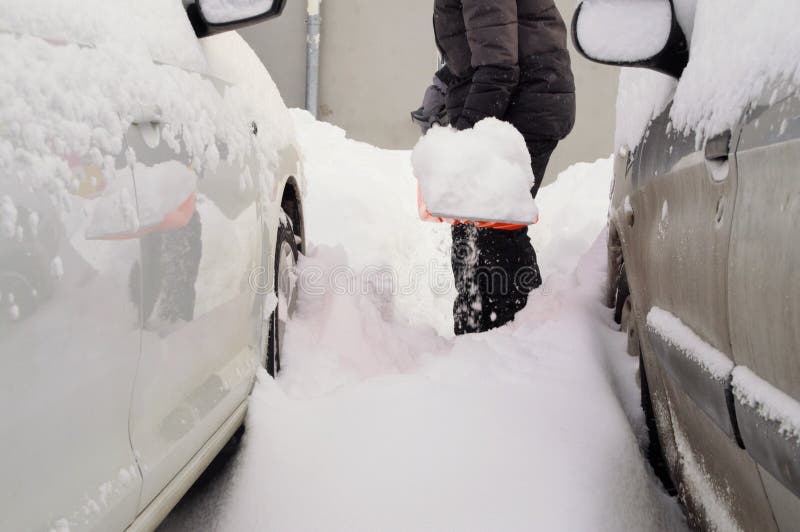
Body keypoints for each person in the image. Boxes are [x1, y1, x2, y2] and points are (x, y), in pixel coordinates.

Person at [430, 0, 576, 335]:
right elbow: (491, 42)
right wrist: (445, 82)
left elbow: (499, 67)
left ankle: (512, 342)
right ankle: (478, 339)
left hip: (524, 105)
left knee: (493, 231)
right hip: (521, 99)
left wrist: (463, 138)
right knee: (474, 227)